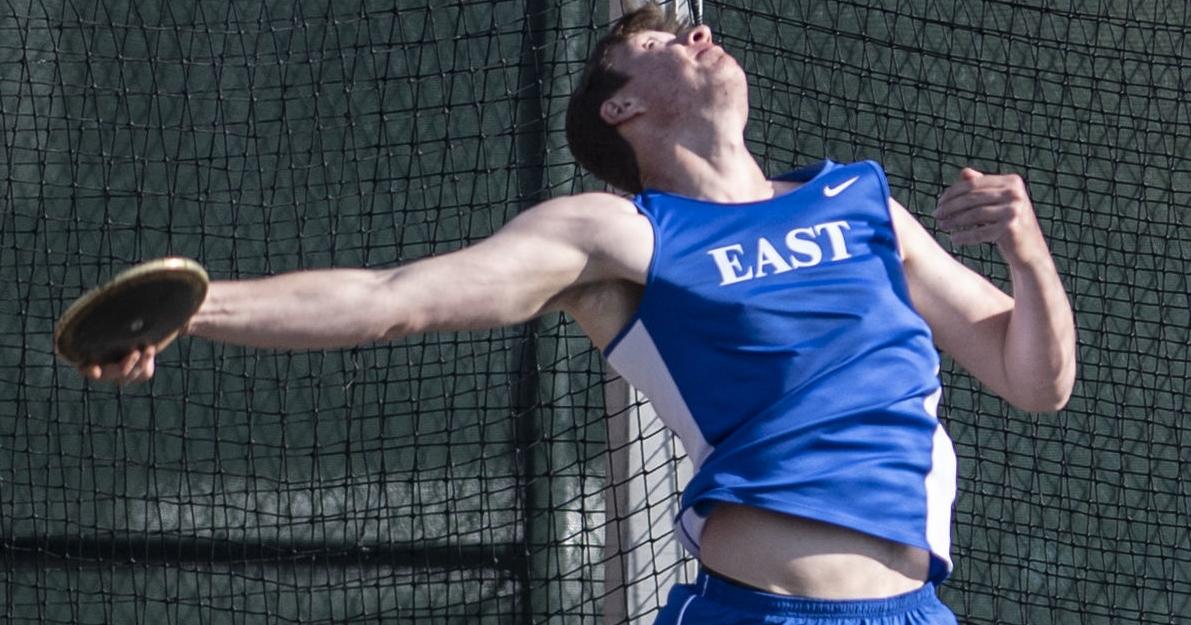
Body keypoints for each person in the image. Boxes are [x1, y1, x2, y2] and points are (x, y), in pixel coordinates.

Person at [80, 5, 1076, 624]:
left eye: (698, 27)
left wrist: (1028, 254)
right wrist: (196, 310)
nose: (700, 32)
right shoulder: (615, 235)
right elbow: (396, 301)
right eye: (662, 39)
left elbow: (1037, 379)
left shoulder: (861, 204)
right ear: (619, 108)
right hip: (758, 616)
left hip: (915, 612)